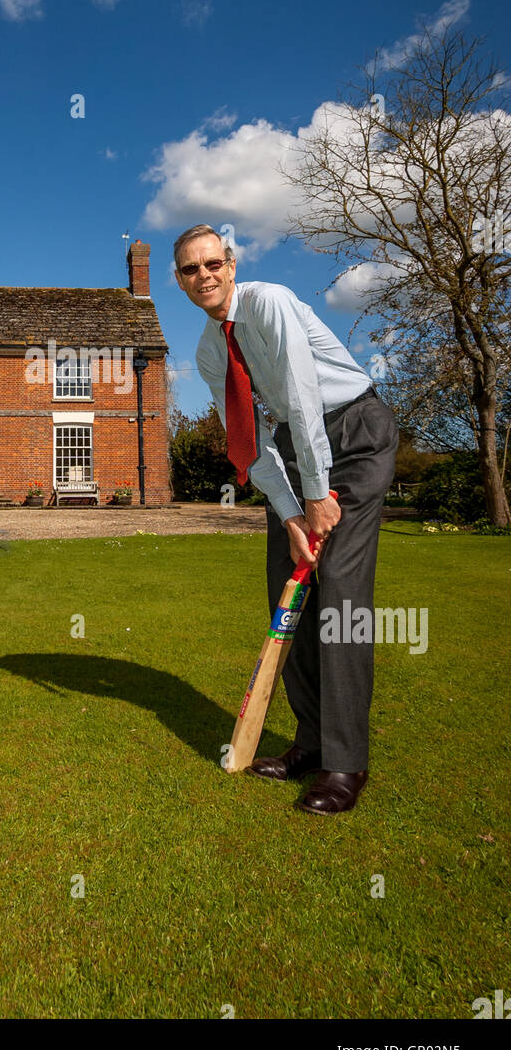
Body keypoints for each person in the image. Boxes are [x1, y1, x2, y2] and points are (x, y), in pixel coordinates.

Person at [174, 223, 399, 814]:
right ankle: (311, 741)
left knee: (340, 593)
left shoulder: (268, 302)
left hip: (353, 432)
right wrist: (292, 514)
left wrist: (318, 494)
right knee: (288, 593)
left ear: (231, 264)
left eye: (213, 264)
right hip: (296, 447)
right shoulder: (209, 351)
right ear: (180, 280)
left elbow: (301, 394)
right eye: (191, 269)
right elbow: (249, 441)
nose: (204, 276)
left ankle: (345, 762)